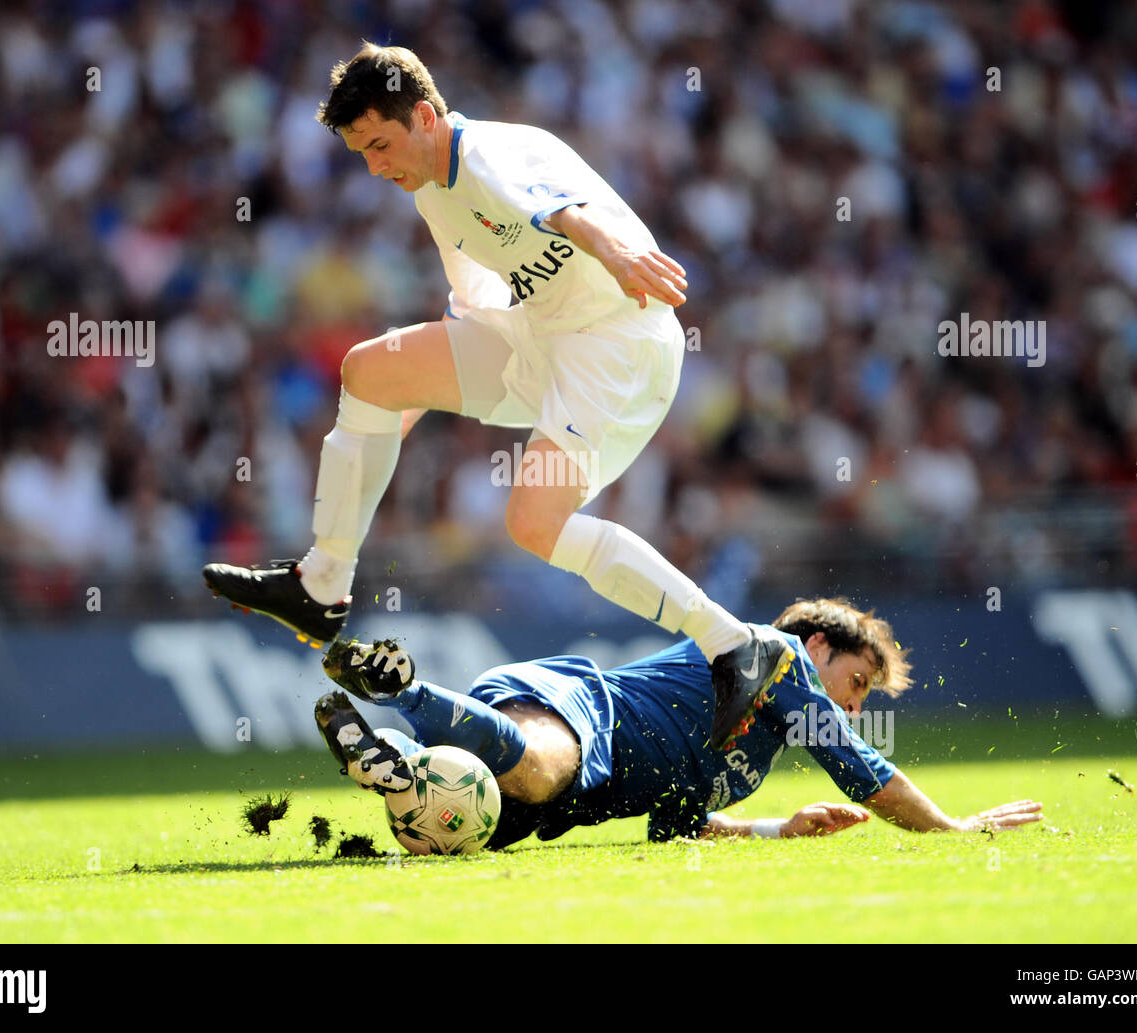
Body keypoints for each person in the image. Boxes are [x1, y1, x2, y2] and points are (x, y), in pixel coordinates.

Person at [203, 42, 795, 750]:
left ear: (425, 116)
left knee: (533, 520)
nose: (376, 166)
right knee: (371, 371)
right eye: (362, 152)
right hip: (539, 334)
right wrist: (412, 395)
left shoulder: (486, 156)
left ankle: (732, 643)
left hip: (617, 341)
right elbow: (475, 303)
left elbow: (565, 212)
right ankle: (323, 584)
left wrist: (617, 253)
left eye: (381, 144)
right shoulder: (429, 187)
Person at [314, 597, 1043, 849]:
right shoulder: (775, 655)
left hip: (563, 797)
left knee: (449, 818)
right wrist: (954, 829)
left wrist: (773, 829)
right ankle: (408, 691)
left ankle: (388, 753)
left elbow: (676, 826)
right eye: (854, 685)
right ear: (818, 645)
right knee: (539, 765)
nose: (851, 710)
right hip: (583, 708)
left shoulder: (755, 757)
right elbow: (864, 773)